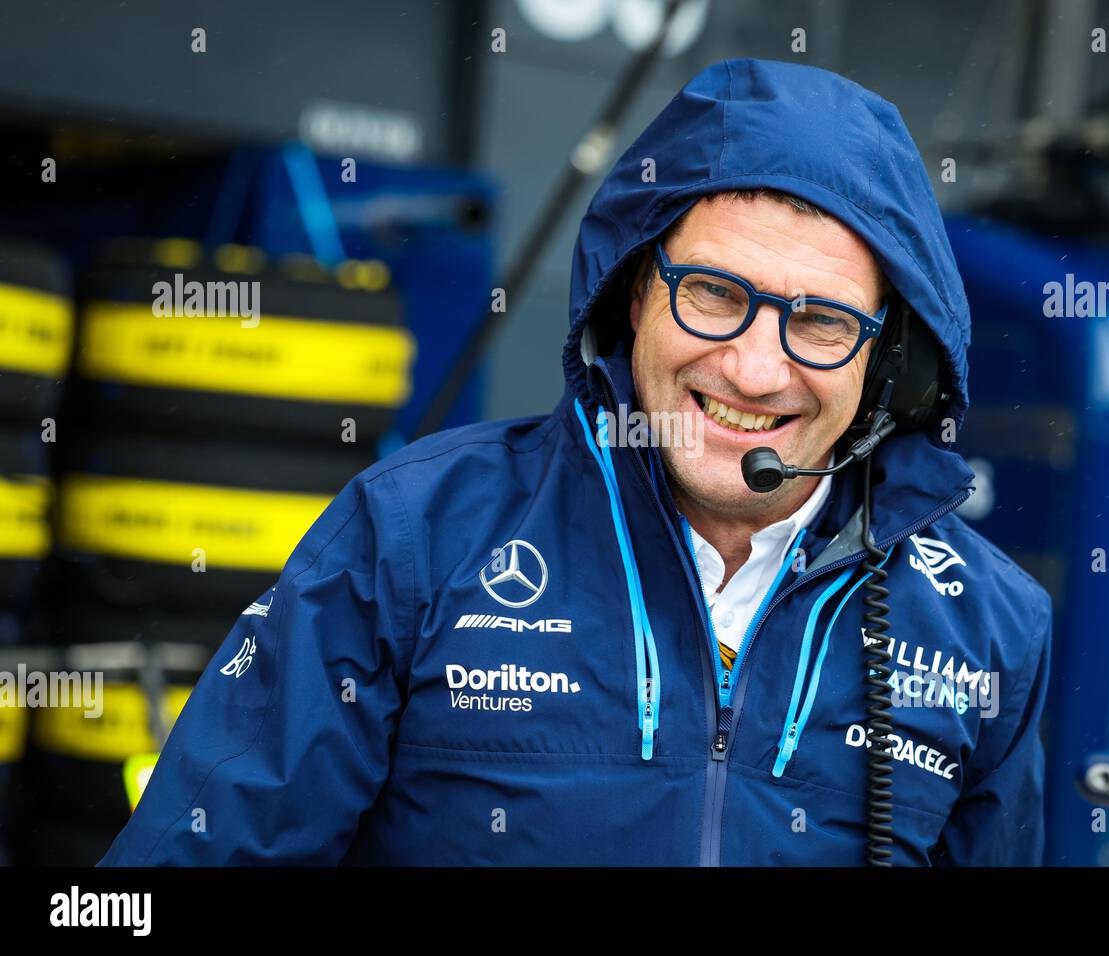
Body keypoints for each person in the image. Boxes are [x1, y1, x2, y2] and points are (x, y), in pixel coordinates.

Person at [100, 58, 1051, 866]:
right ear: (634, 293)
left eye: (820, 322)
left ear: (892, 362)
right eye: (715, 294)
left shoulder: (992, 628)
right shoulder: (413, 537)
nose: (756, 369)